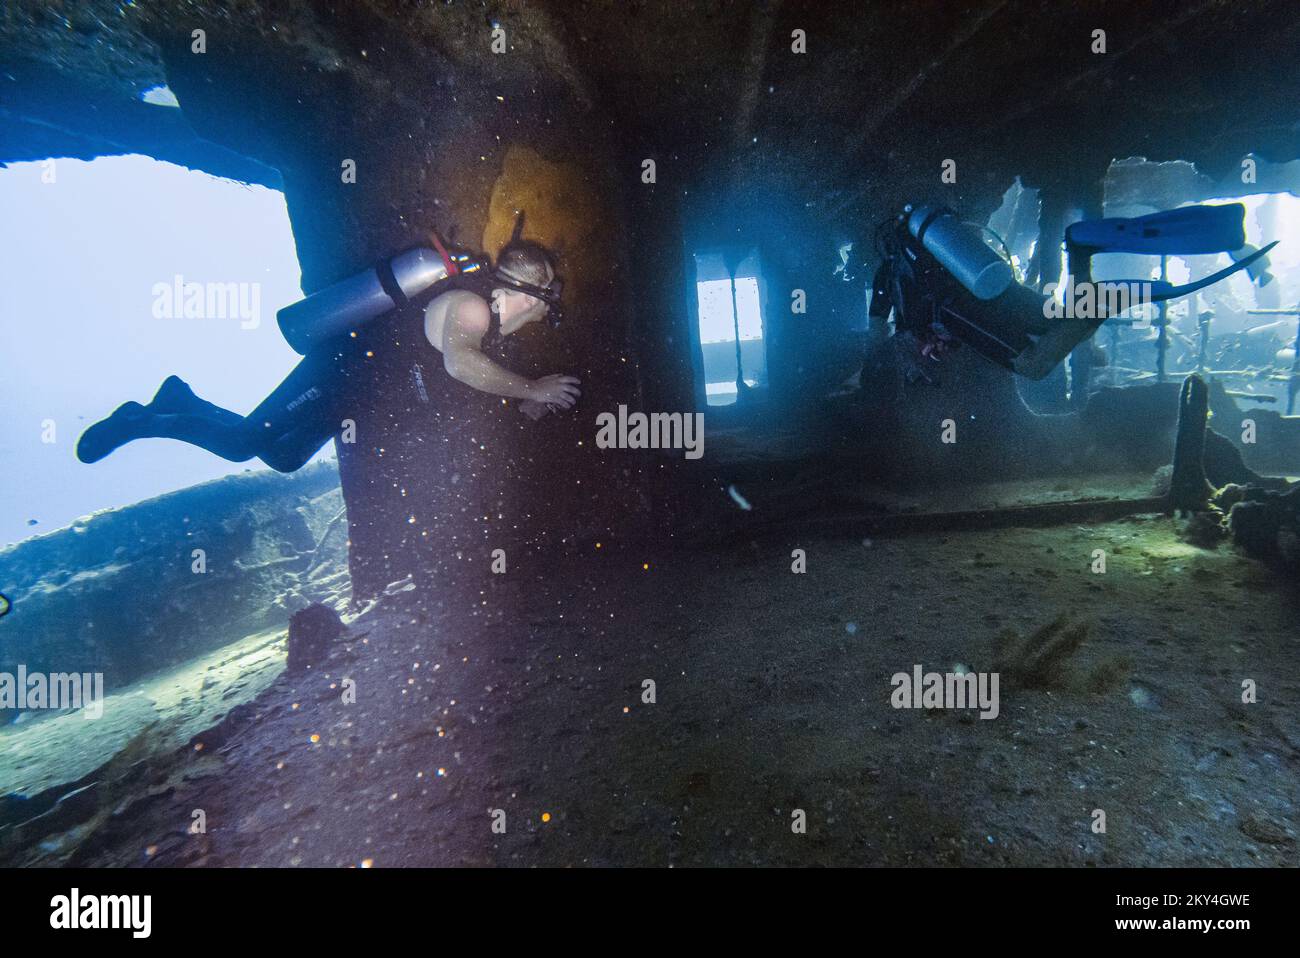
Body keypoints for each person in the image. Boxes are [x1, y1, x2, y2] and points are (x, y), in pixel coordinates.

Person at [76, 241, 581, 471]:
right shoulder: (471, 308)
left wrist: (522, 402)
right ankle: (138, 420)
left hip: (351, 396)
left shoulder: (491, 333)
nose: (545, 316)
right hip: (338, 371)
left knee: (284, 456)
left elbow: (466, 380)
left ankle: (181, 400)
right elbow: (460, 365)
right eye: (548, 304)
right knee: (240, 444)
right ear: (532, 295)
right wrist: (532, 387)